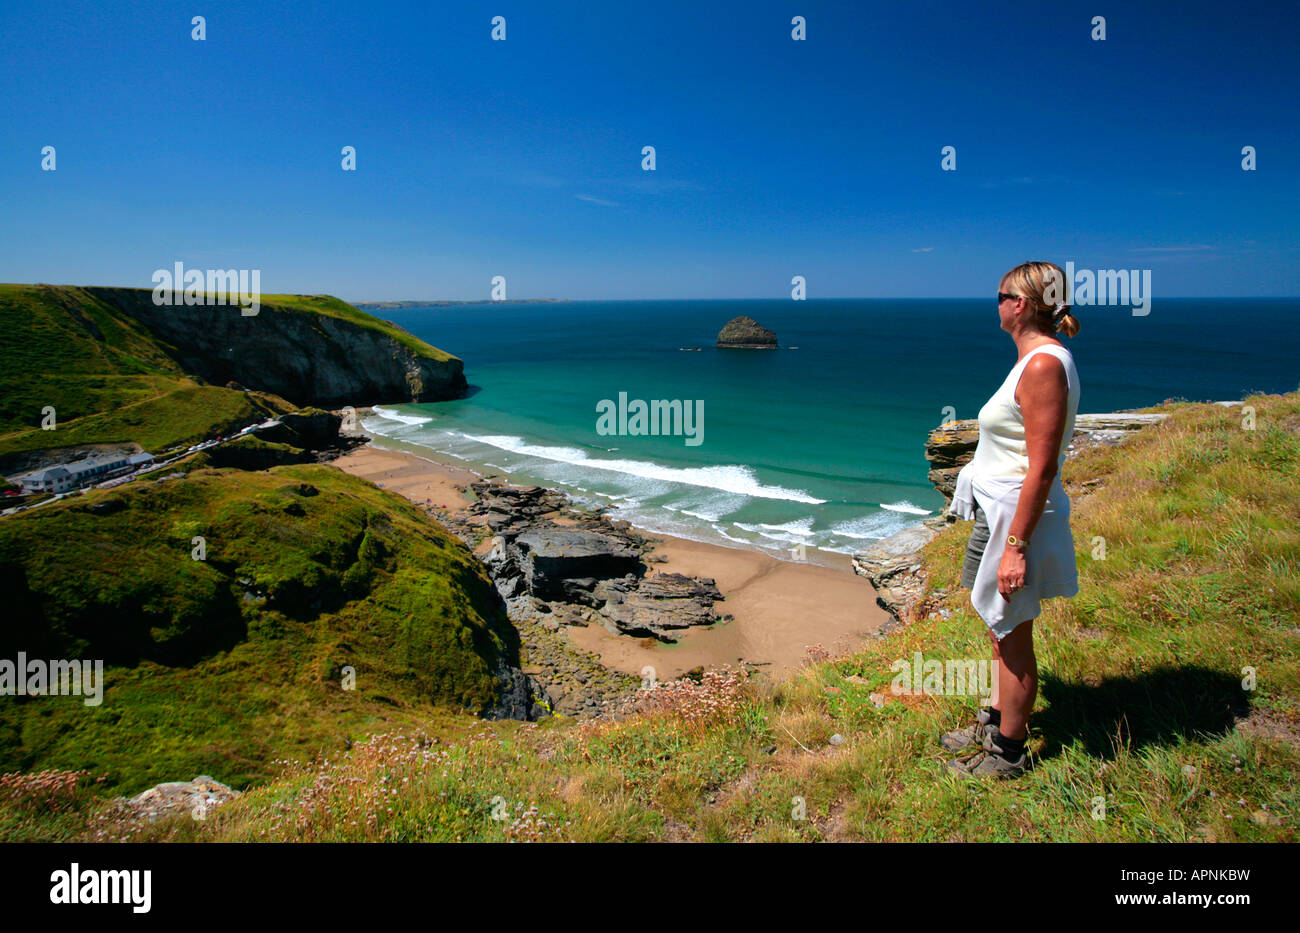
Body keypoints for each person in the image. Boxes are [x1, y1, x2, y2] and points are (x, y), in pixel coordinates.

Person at [942, 261, 1082, 778]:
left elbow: (1042, 468)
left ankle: (1010, 752)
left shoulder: (1044, 365)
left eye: (1000, 296)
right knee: (998, 626)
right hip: (997, 513)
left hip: (1016, 521)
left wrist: (1016, 545)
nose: (996, 305)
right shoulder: (1031, 359)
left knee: (1014, 632)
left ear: (1020, 305)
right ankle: (997, 719)